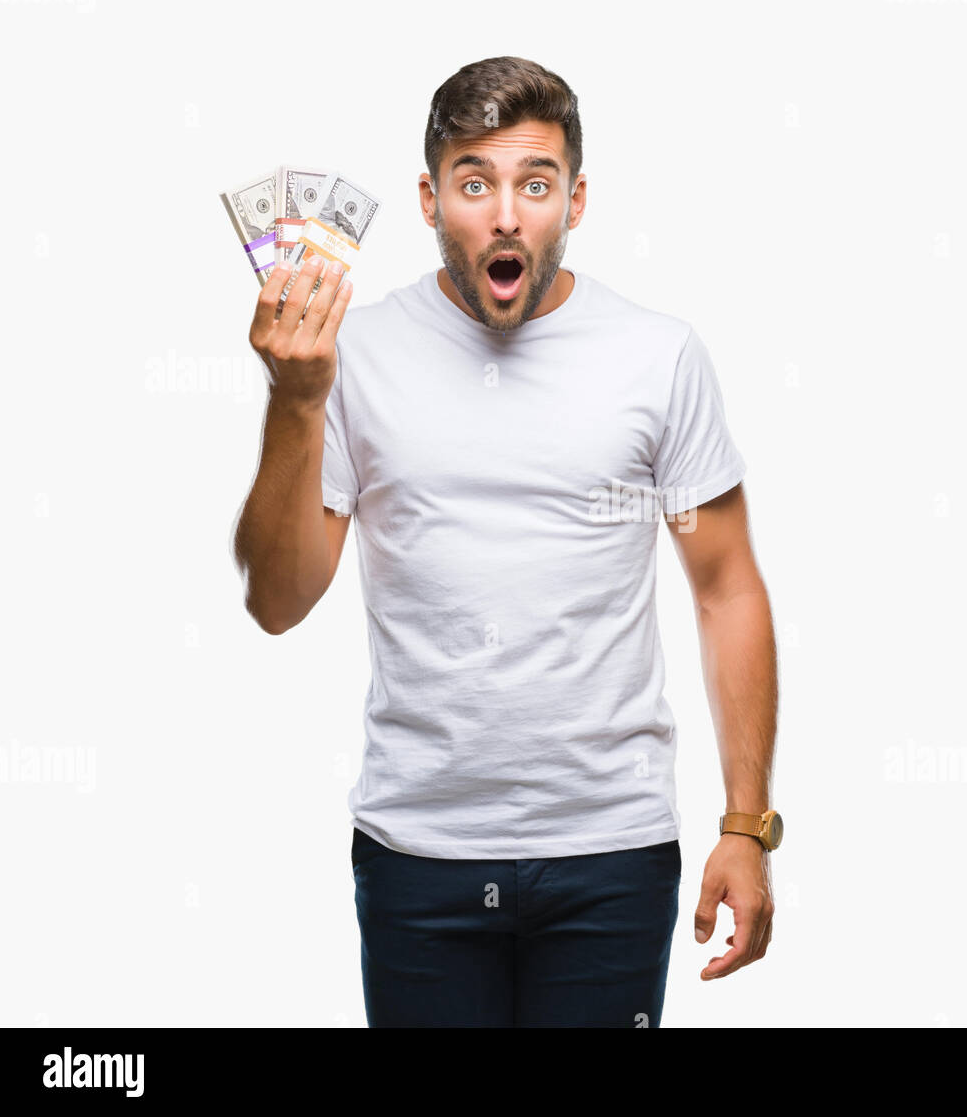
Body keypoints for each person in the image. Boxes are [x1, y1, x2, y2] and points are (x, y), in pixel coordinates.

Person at [231, 55, 781, 1027]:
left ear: (575, 198)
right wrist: (295, 398)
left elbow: (725, 586)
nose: (504, 215)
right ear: (428, 199)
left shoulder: (658, 356)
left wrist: (746, 825)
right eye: (473, 181)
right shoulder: (352, 357)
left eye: (534, 182)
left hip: (612, 853)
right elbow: (277, 602)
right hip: (418, 858)